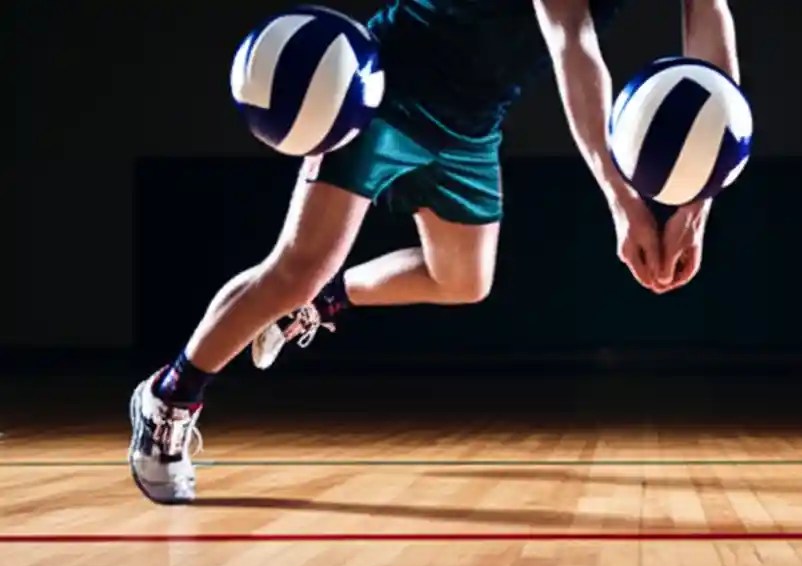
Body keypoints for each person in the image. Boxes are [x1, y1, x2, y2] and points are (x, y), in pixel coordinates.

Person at [127, 0, 741, 504]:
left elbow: (710, 37)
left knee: (462, 280)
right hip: (387, 90)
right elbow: (572, 45)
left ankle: (320, 305)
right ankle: (169, 396)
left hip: (472, 121)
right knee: (299, 267)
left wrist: (697, 204)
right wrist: (623, 201)